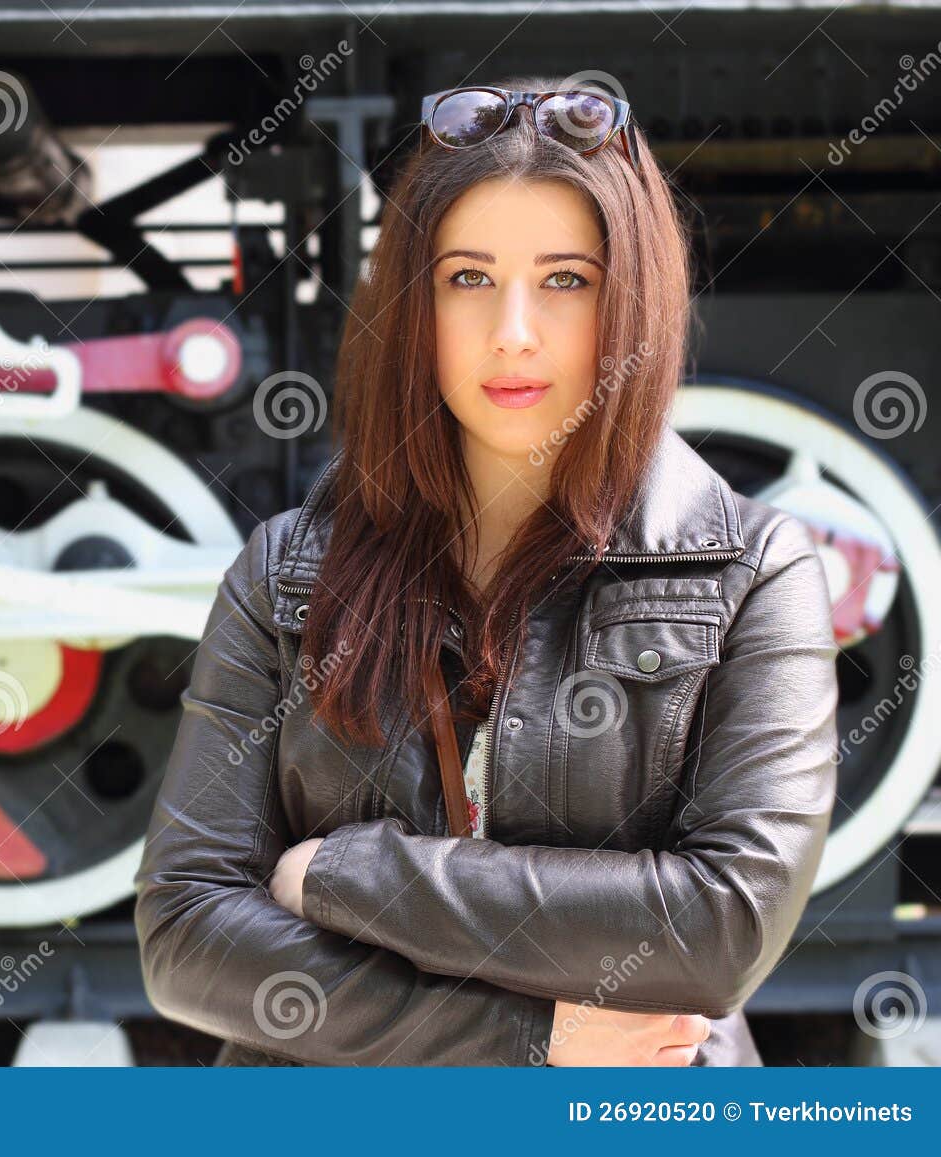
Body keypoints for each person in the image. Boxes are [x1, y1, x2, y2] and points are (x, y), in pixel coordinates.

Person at [132, 74, 840, 1066]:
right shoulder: (286, 571)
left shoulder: (754, 571)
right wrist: (529, 1037)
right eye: (467, 277)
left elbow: (720, 927)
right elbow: (186, 940)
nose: (513, 329)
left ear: (630, 300)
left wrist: (348, 872)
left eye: (565, 279)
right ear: (411, 307)